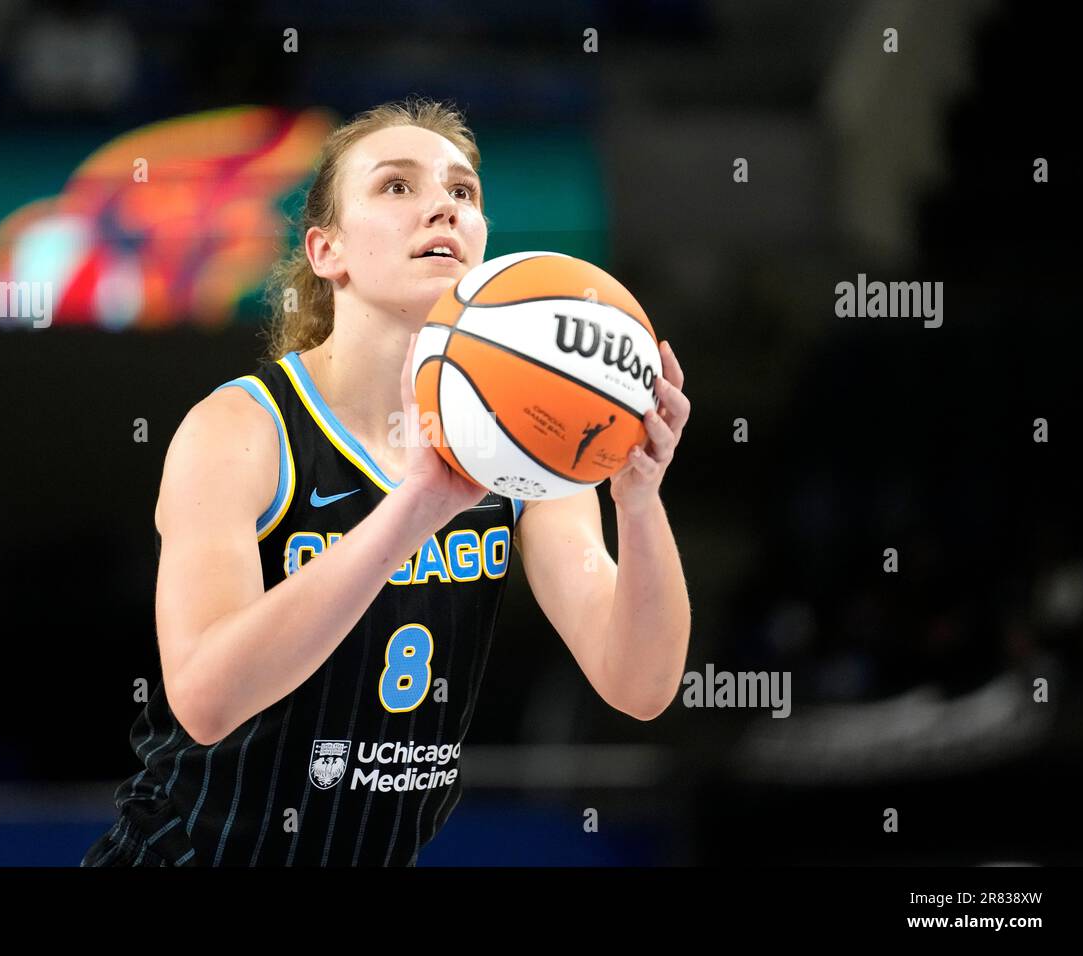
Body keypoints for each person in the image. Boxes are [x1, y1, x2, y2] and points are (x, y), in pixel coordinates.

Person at [81, 97, 692, 867]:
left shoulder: (529, 444)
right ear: (327, 249)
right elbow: (205, 700)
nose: (442, 205)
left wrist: (638, 502)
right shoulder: (242, 430)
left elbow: (639, 684)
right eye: (397, 187)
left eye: (462, 193)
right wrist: (415, 510)